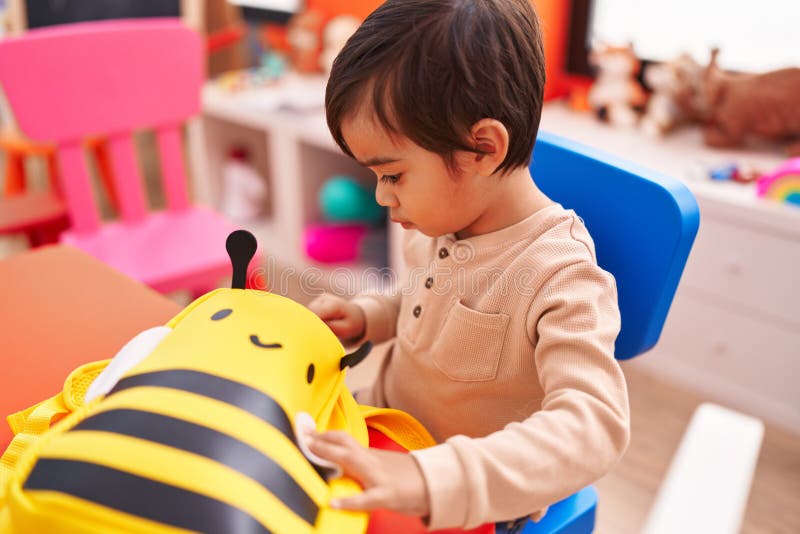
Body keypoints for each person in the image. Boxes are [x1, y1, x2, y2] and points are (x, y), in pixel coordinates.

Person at [305, 1, 630, 531]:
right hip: (382, 429)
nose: (382, 197)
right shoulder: (443, 221)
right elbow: (425, 301)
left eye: (392, 175)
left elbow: (594, 424)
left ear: (482, 148)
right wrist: (368, 314)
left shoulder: (560, 272)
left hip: (461, 498)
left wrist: (429, 481)